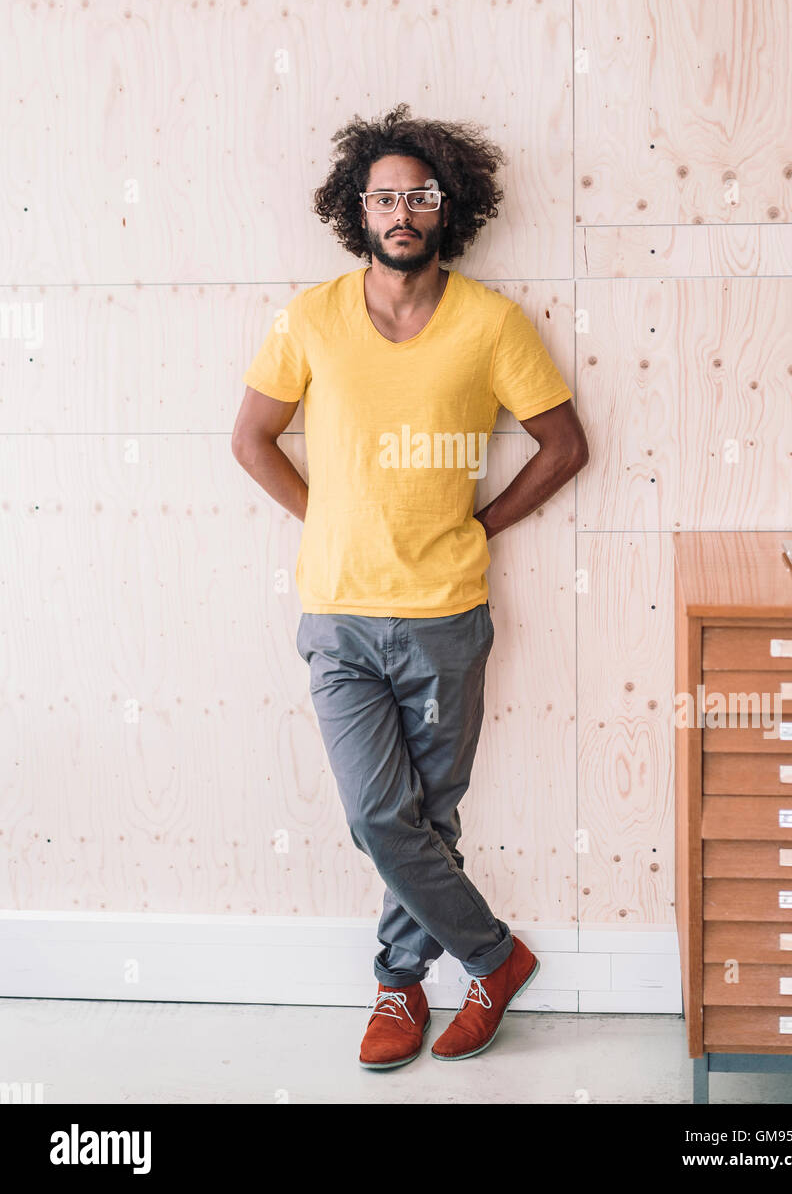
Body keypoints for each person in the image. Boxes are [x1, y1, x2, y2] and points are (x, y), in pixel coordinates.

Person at [232, 103, 588, 1069]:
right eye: (383, 196)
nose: (400, 211)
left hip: (445, 620)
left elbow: (564, 447)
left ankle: (398, 988)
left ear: (446, 208)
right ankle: (493, 957)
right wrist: (331, 518)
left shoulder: (491, 323)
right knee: (376, 816)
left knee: (428, 819)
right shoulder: (309, 318)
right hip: (339, 617)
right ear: (359, 210)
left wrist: (482, 524)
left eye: (417, 196)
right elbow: (250, 440)